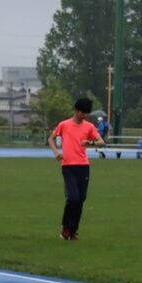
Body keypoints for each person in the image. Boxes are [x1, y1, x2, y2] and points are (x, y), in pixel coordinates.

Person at [47, 96, 105, 241]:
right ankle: (65, 228)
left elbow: (101, 142)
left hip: (83, 166)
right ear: (76, 110)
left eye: (86, 113)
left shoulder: (89, 127)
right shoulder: (64, 125)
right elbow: (51, 139)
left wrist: (89, 142)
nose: (83, 115)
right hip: (68, 166)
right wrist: (56, 153)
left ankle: (72, 231)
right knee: (73, 198)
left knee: (81, 199)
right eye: (81, 112)